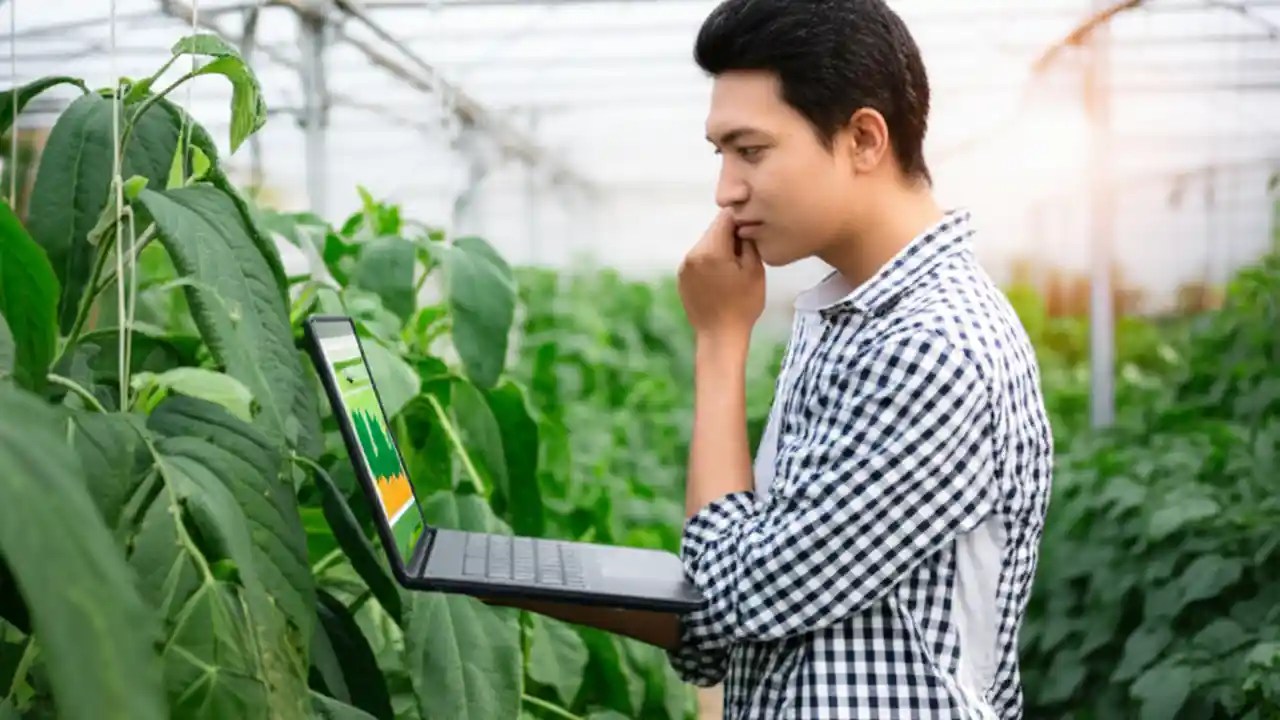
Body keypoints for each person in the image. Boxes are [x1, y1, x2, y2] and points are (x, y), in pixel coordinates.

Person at [493, 1, 1053, 718]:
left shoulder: (930, 348)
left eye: (751, 151)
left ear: (862, 139)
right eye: (719, 154)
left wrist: (721, 342)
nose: (726, 188)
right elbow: (733, 617)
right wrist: (513, 578)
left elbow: (732, 597)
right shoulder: (852, 316)